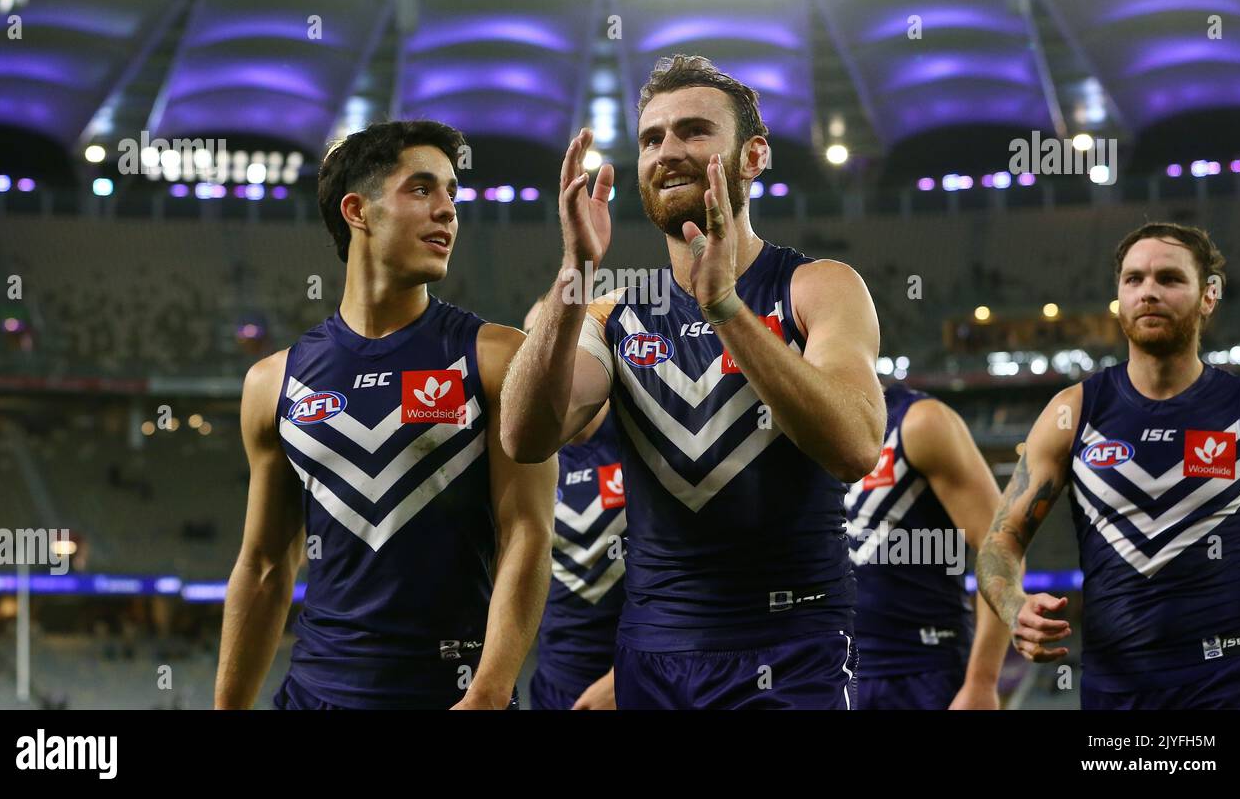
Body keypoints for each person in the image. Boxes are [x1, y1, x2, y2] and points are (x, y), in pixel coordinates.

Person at [500, 55, 885, 709]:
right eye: (652, 139)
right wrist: (572, 271)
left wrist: (727, 311)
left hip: (794, 644)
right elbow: (524, 436)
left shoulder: (818, 287)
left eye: (694, 132)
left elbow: (853, 447)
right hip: (653, 649)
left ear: (754, 156)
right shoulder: (612, 312)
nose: (667, 151)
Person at [214, 120, 556, 709]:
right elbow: (266, 565)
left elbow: (526, 532)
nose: (448, 211)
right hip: (313, 694)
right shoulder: (272, 382)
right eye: (422, 190)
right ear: (358, 211)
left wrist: (491, 691)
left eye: (452, 193)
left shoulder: (499, 357)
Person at [977, 222, 1240, 709]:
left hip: (1224, 685)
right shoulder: (1072, 413)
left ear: (1207, 297)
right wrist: (1014, 606)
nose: (1148, 292)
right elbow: (999, 543)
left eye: (1169, 279)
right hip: (1113, 689)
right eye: (1134, 279)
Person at [847, 385, 1008, 709]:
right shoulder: (795, 433)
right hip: (832, 671)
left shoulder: (921, 422)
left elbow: (1003, 548)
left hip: (924, 669)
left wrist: (982, 681)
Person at [523, 298, 626, 710]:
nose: (545, 364)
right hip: (555, 683)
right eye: (533, 345)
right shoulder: (517, 450)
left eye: (563, 344)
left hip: (648, 675)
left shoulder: (645, 434)